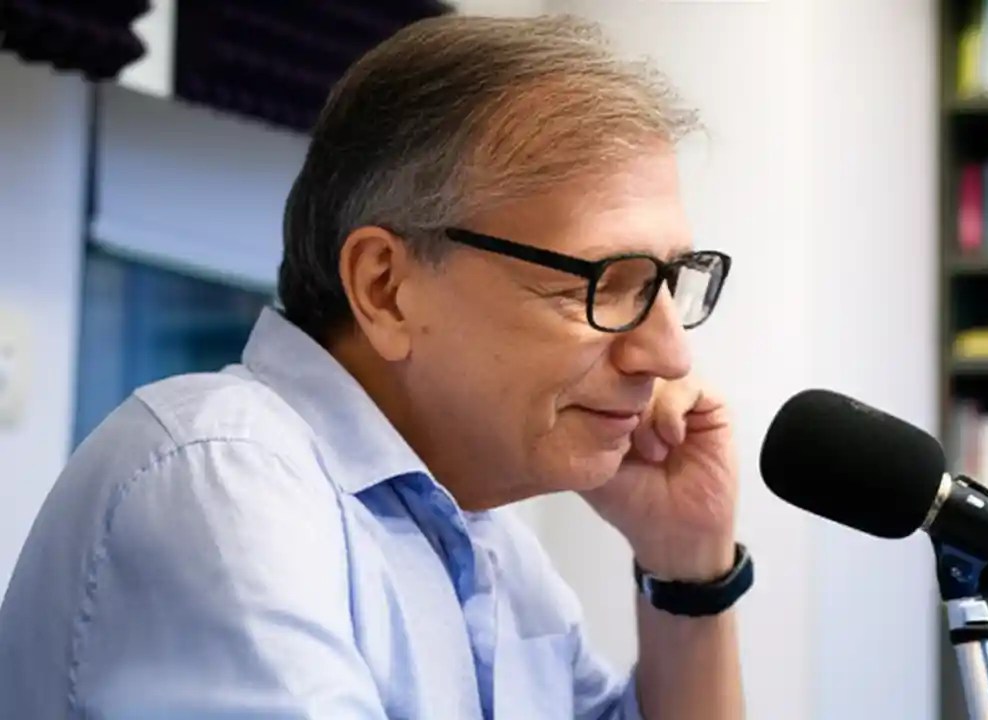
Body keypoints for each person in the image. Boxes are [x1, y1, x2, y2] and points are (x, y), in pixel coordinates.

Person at [0, 13, 752, 720]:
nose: (669, 353)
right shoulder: (226, 475)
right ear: (385, 289)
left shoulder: (495, 554)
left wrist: (689, 574)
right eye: (603, 283)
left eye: (667, 284)